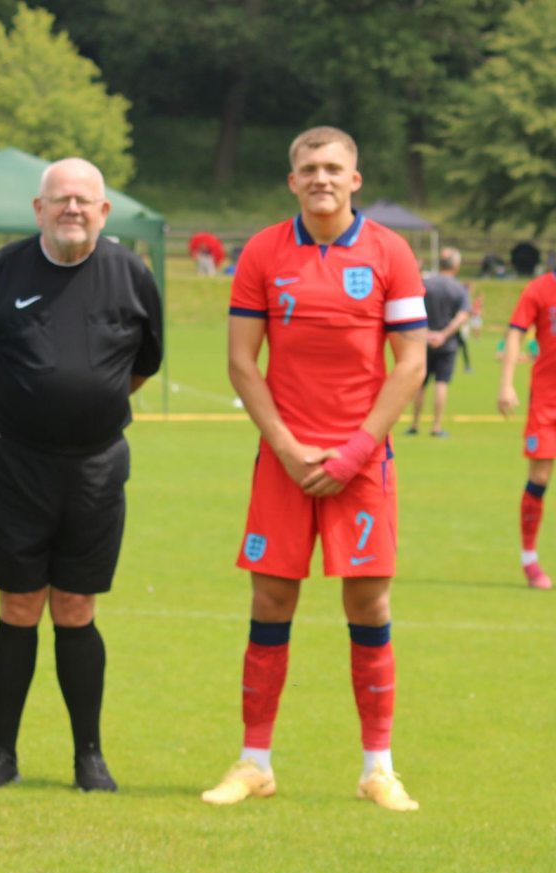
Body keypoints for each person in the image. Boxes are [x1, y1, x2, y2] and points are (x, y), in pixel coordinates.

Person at [204, 126, 427, 812]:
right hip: (284, 462)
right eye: (309, 168)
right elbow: (243, 362)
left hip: (362, 462)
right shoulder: (264, 253)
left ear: (355, 179)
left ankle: (378, 768)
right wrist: (288, 447)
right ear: (292, 180)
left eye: (334, 167)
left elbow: (411, 363)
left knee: (369, 604)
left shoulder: (392, 252)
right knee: (270, 602)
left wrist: (357, 450)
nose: (322, 177)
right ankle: (254, 762)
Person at [0, 159, 162, 793]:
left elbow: (143, 364)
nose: (72, 209)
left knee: (76, 607)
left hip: (96, 469)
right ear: (38, 208)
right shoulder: (1, 271)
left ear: (104, 212)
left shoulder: (131, 273)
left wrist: (83, 404)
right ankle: (1, 754)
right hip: (15, 464)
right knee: (18, 605)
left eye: (84, 200)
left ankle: (89, 756)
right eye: (60, 200)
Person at [497, 268, 556, 590]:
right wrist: (506, 385)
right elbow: (515, 332)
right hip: (546, 403)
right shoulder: (539, 289)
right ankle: (529, 559)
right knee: (539, 478)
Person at [405, 247, 470, 438]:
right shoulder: (458, 288)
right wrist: (443, 334)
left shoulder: (426, 283)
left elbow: (413, 307)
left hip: (422, 340)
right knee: (441, 383)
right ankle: (436, 425)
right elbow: (463, 315)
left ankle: (415, 423)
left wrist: (426, 333)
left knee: (420, 383)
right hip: (447, 343)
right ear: (456, 266)